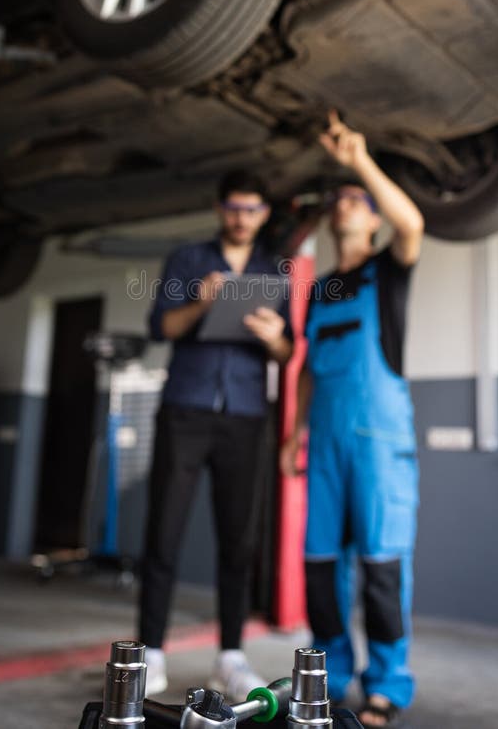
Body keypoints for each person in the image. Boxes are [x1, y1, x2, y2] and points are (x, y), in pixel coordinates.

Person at [280, 110, 424, 728]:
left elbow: (413, 222)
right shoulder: (326, 290)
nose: (345, 203)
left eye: (356, 199)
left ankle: (388, 683)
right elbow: (309, 364)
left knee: (382, 566)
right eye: (339, 197)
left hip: (379, 443)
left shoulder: (386, 271)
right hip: (328, 442)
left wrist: (359, 163)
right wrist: (295, 431)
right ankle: (333, 677)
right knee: (319, 566)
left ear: (371, 215)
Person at [140, 170, 293, 699]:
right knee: (163, 531)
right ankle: (151, 653)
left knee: (238, 539)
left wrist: (275, 339)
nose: (241, 218)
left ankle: (230, 657)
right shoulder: (186, 261)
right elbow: (160, 328)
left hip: (246, 416)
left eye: (251, 209)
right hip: (185, 409)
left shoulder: (274, 271)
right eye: (232, 208)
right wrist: (202, 302)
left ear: (264, 214)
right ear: (218, 208)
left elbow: (287, 351)